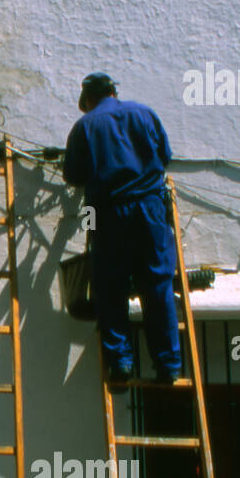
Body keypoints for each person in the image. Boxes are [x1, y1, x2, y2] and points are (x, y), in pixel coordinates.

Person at [62, 73, 180, 384]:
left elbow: (73, 175)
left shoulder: (85, 126)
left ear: (87, 101)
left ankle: (121, 363)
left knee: (110, 286)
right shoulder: (144, 114)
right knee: (157, 284)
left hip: (108, 212)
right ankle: (168, 364)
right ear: (115, 91)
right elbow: (165, 156)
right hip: (150, 208)